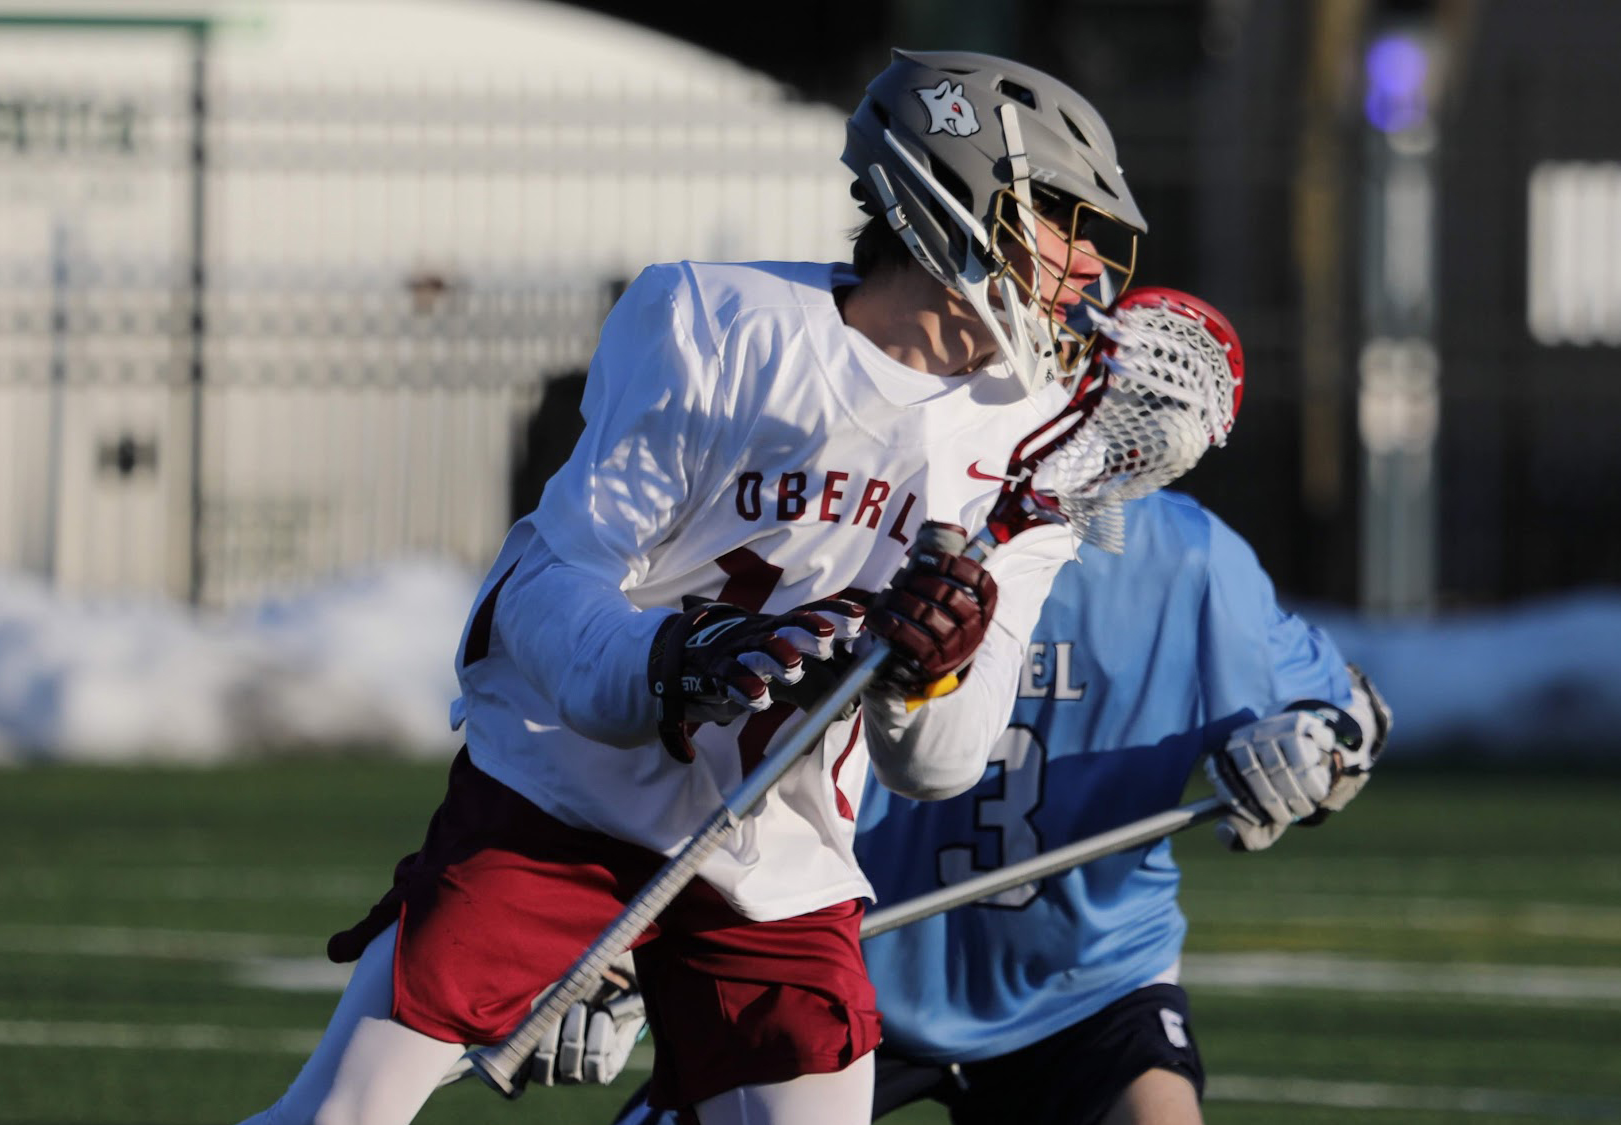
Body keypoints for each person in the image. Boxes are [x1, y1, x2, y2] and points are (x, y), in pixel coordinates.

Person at [236, 48, 1146, 1125]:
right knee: (339, 1116)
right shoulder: (722, 325)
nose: (1085, 263)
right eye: (1057, 216)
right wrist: (671, 664)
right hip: (563, 808)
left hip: (779, 852)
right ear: (953, 189)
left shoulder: (1046, 436)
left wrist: (925, 674)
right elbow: (538, 590)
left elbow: (938, 766)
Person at [609, 303, 1390, 1125]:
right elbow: (726, 749)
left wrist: (1306, 753)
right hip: (843, 954)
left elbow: (1353, 718)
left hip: (1087, 986)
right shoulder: (891, 513)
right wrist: (631, 956)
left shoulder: (1194, 563)